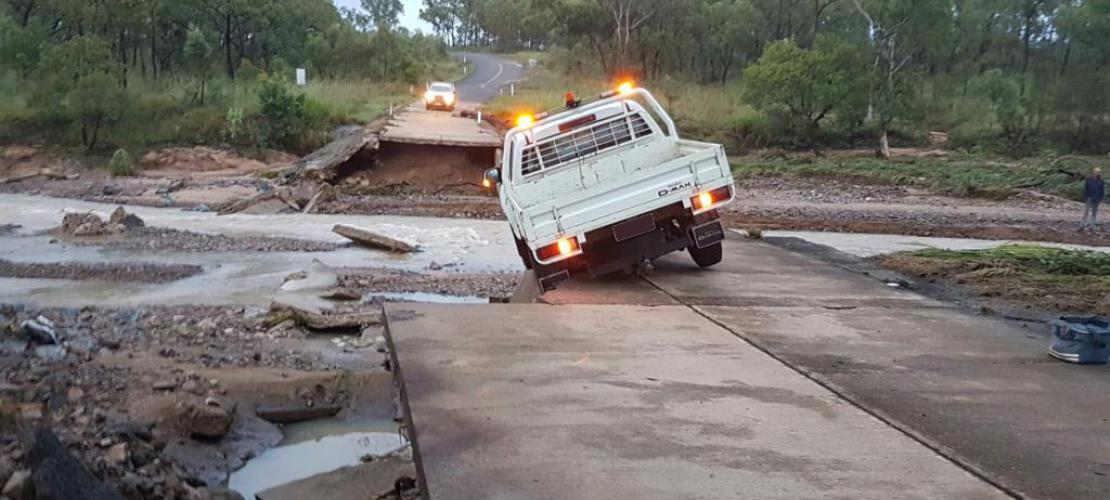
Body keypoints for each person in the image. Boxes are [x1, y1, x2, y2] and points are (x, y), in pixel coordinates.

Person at [1081, 167, 1105, 232]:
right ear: (1094, 172)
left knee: (1094, 212)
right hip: (1089, 198)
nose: (1097, 174)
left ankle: (1092, 224)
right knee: (1086, 211)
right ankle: (1083, 224)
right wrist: (1085, 197)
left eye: (1099, 172)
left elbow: (1102, 190)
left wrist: (1101, 198)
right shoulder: (1088, 180)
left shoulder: (1101, 181)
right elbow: (1085, 189)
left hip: (1096, 198)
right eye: (1096, 172)